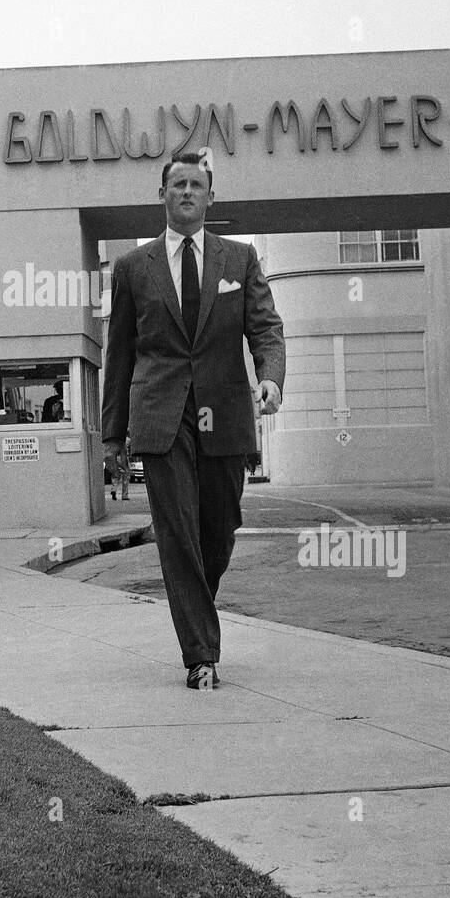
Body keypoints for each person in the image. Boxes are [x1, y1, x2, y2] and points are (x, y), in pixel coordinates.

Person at [101, 152, 284, 690]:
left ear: (210, 197)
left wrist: (270, 376)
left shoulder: (240, 260)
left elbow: (266, 328)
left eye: (195, 185)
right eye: (177, 184)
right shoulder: (134, 268)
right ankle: (201, 654)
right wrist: (113, 434)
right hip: (161, 416)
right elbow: (120, 356)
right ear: (163, 195)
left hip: (224, 414)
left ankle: (196, 609)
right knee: (177, 531)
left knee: (218, 532)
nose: (186, 192)